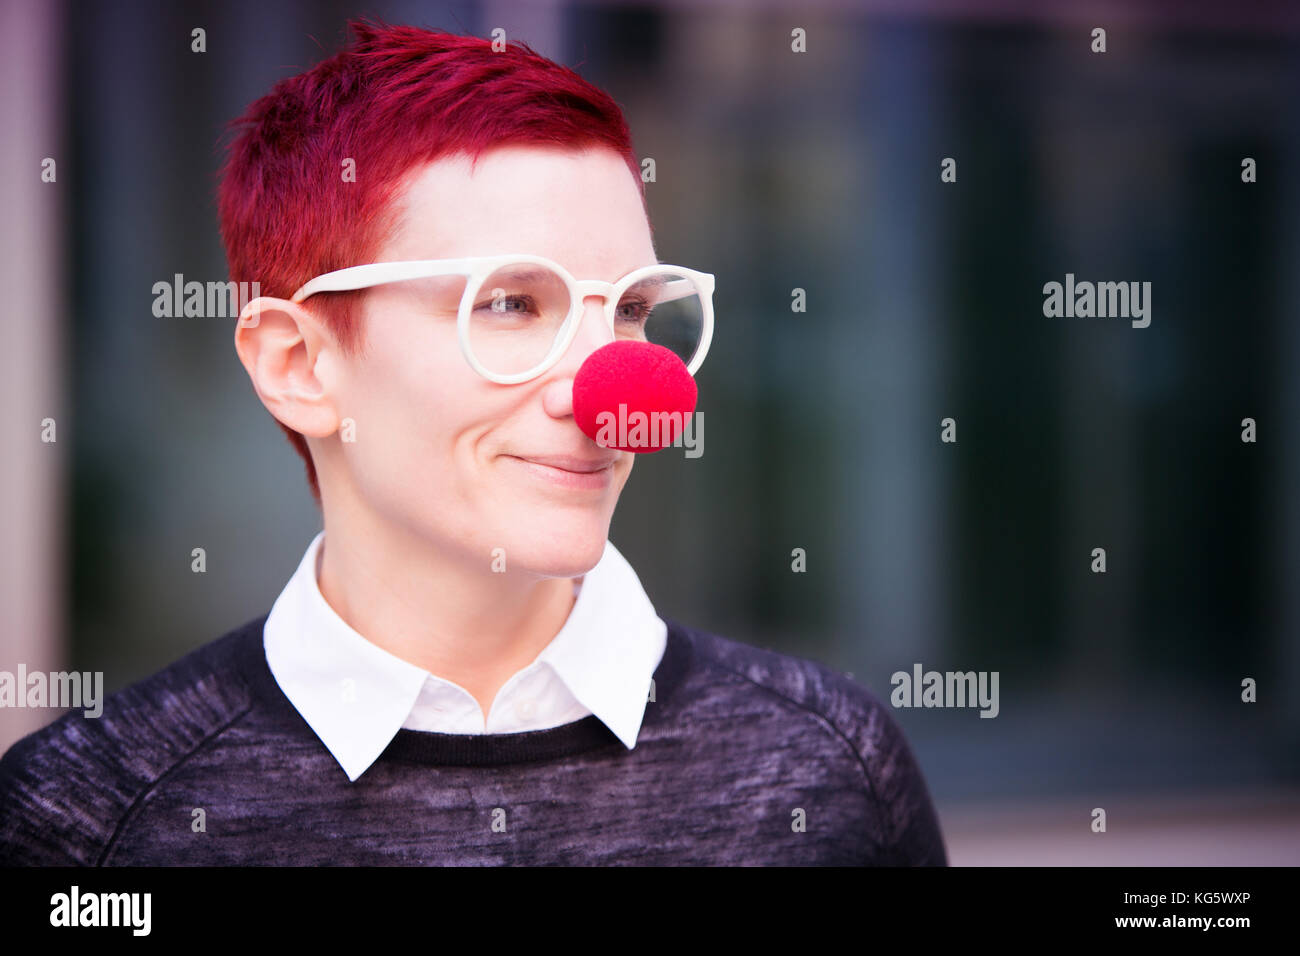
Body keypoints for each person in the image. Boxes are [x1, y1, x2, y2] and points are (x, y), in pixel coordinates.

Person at [0, 19, 946, 866]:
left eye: (628, 308)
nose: (605, 389)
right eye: (509, 303)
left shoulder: (833, 772)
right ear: (298, 363)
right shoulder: (89, 818)